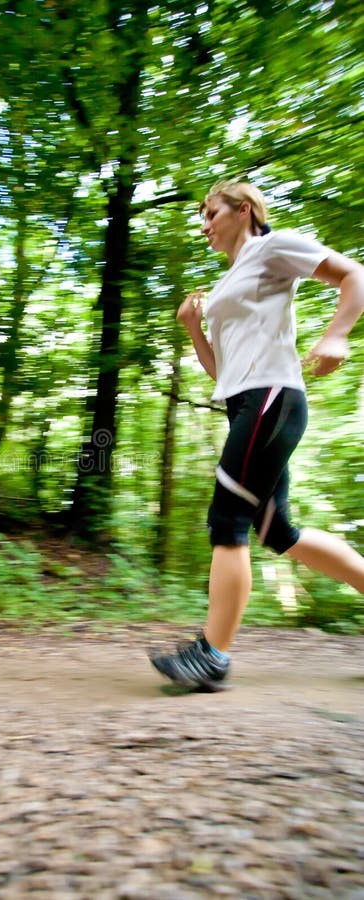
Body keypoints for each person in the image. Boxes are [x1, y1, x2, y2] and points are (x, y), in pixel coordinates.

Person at [150, 179, 364, 691]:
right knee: (277, 532)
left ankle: (212, 655)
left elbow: (354, 274)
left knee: (229, 517)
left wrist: (337, 334)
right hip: (246, 402)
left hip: (273, 397)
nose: (204, 225)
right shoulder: (227, 283)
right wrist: (193, 328)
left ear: (243, 210)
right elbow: (220, 372)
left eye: (211, 213)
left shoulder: (273, 248)